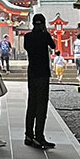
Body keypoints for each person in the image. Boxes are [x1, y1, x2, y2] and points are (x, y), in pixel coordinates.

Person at [22, 14, 57, 149]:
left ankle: (28, 135)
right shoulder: (45, 36)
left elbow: (27, 48)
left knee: (32, 102)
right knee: (41, 104)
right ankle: (39, 136)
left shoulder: (27, 37)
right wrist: (45, 31)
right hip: (42, 72)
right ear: (43, 24)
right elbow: (53, 46)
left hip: (32, 72)